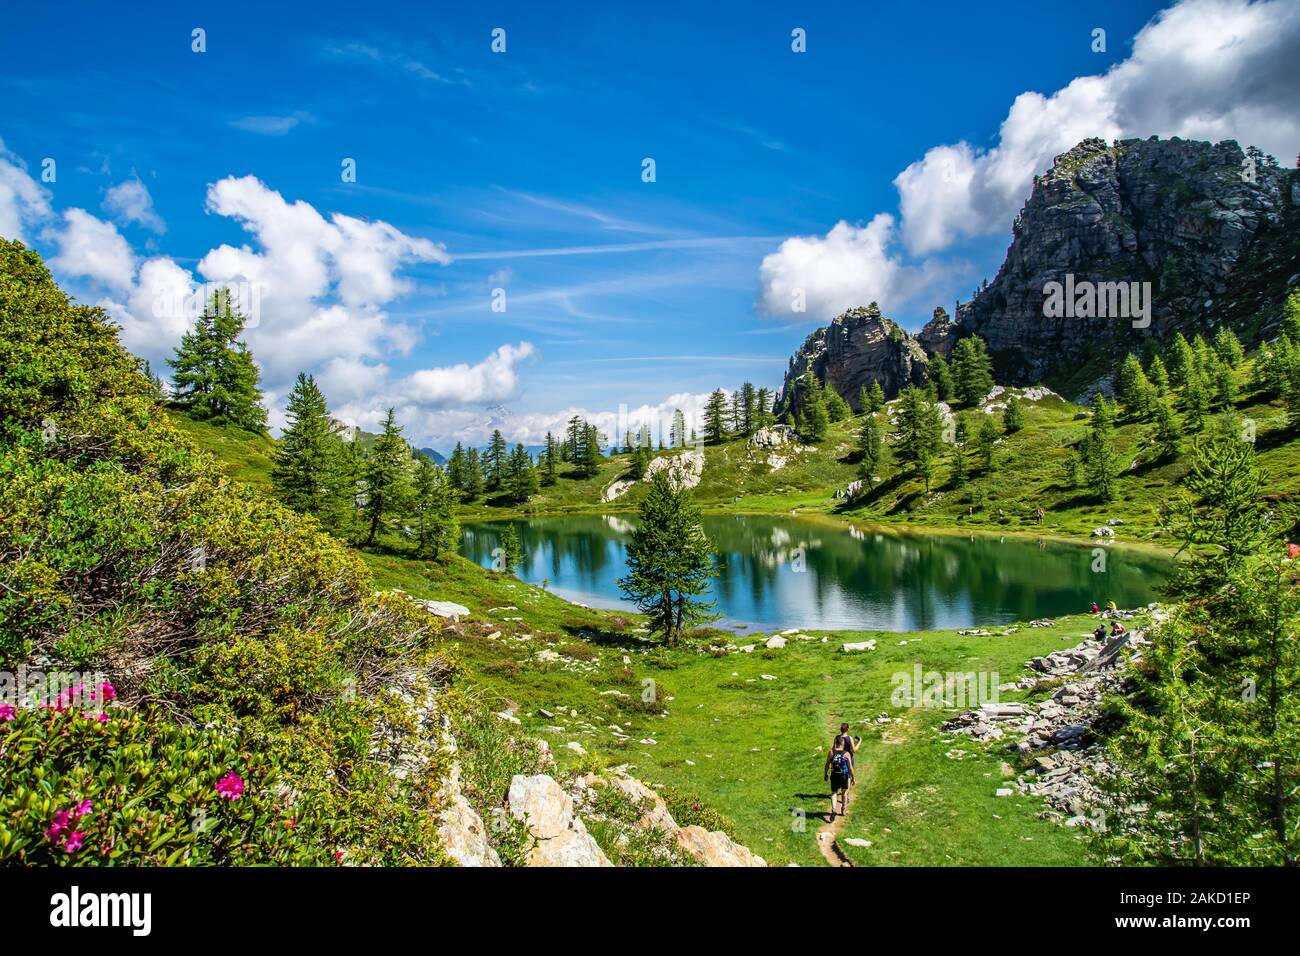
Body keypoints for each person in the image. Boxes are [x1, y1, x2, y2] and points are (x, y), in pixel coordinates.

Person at [824, 737, 855, 819]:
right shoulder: (846, 753)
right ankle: (843, 809)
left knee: (834, 793)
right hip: (844, 775)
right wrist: (853, 778)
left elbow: (827, 765)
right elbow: (850, 768)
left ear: (836, 743)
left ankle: (834, 809)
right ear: (843, 744)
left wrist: (825, 774)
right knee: (844, 793)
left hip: (834, 775)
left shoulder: (831, 752)